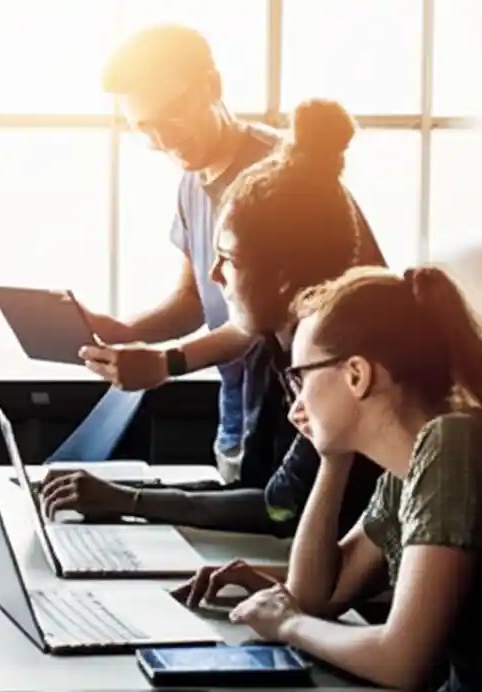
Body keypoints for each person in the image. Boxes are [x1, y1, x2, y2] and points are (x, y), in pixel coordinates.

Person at [229, 265, 482, 692]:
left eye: (301, 377)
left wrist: (289, 626)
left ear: (357, 375)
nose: (295, 401)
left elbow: (401, 660)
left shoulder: (453, 446)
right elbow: (319, 593)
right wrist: (332, 460)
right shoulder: (413, 466)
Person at [43, 100, 384, 541]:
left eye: (228, 259)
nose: (214, 274)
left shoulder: (336, 371)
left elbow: (278, 508)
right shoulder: (277, 348)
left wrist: (127, 501)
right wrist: (120, 495)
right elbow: (256, 490)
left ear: (281, 277)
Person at [81, 25, 379, 483]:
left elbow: (342, 303)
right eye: (145, 129)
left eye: (171, 116)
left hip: (309, 422)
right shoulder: (190, 181)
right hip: (238, 421)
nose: (162, 140)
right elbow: (197, 300)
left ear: (212, 86)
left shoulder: (289, 176)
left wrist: (167, 363)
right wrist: (125, 331)